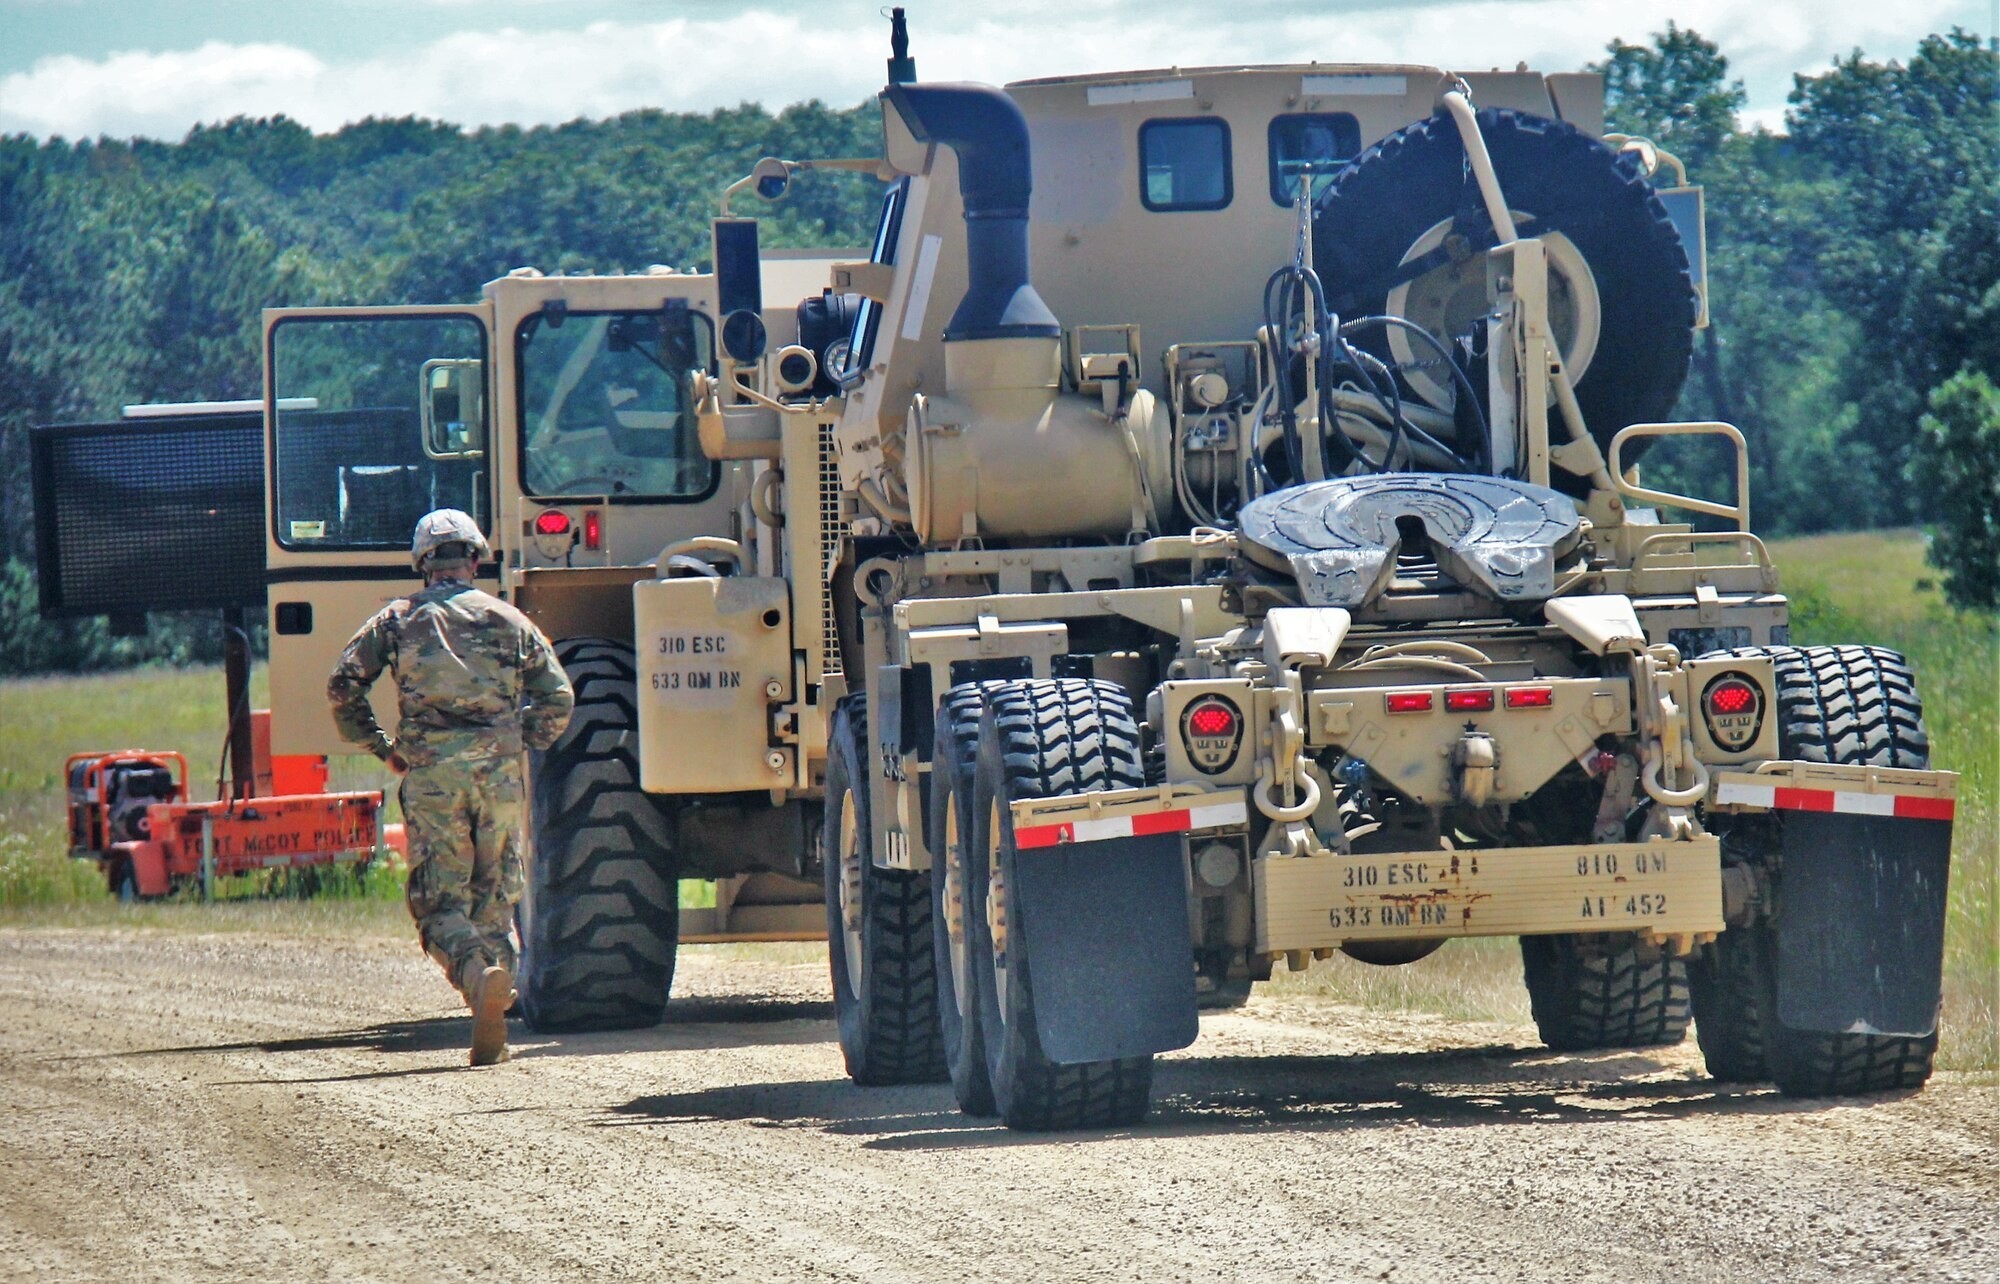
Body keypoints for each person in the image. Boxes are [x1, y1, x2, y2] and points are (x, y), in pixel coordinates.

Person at [327, 509, 574, 1065]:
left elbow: (343, 686)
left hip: (433, 776)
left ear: (422, 564)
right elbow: (558, 697)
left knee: (438, 900)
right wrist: (516, 740)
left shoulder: (396, 620)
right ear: (476, 560)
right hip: (500, 779)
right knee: (495, 898)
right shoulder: (509, 619)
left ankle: (473, 975)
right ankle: (495, 1006)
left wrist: (381, 748)